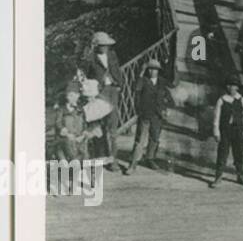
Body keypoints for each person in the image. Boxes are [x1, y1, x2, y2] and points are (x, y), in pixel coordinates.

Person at [83, 31, 125, 166]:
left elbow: (117, 70)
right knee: (99, 126)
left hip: (113, 91)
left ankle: (114, 160)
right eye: (102, 45)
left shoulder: (112, 55)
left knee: (113, 127)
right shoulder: (91, 59)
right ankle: (100, 157)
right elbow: (87, 76)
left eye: (107, 45)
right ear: (96, 46)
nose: (105, 47)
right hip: (100, 93)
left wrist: (119, 84)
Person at [126, 58, 173, 175]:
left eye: (155, 69)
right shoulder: (143, 81)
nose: (153, 71)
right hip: (145, 114)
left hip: (157, 116)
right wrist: (141, 73)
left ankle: (150, 158)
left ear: (158, 71)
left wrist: (165, 109)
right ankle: (133, 163)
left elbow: (170, 99)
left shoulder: (162, 82)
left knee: (155, 138)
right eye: (151, 69)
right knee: (140, 139)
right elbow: (136, 89)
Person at [209, 76, 243, 187]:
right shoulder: (221, 100)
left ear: (237, 88)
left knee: (239, 155)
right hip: (225, 131)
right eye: (230, 86)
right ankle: (218, 177)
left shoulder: (242, 100)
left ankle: (241, 176)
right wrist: (216, 132)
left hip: (238, 131)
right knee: (222, 154)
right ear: (227, 87)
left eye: (234, 86)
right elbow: (216, 118)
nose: (232, 88)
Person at [52, 81, 94, 191]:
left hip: (78, 139)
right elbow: (58, 125)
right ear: (66, 96)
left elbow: (85, 125)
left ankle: (80, 179)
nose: (73, 98)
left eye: (75, 95)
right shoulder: (61, 110)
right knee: (70, 148)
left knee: (84, 150)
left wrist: (84, 133)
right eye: (71, 95)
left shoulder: (80, 110)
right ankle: (69, 182)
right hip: (64, 140)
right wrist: (66, 133)